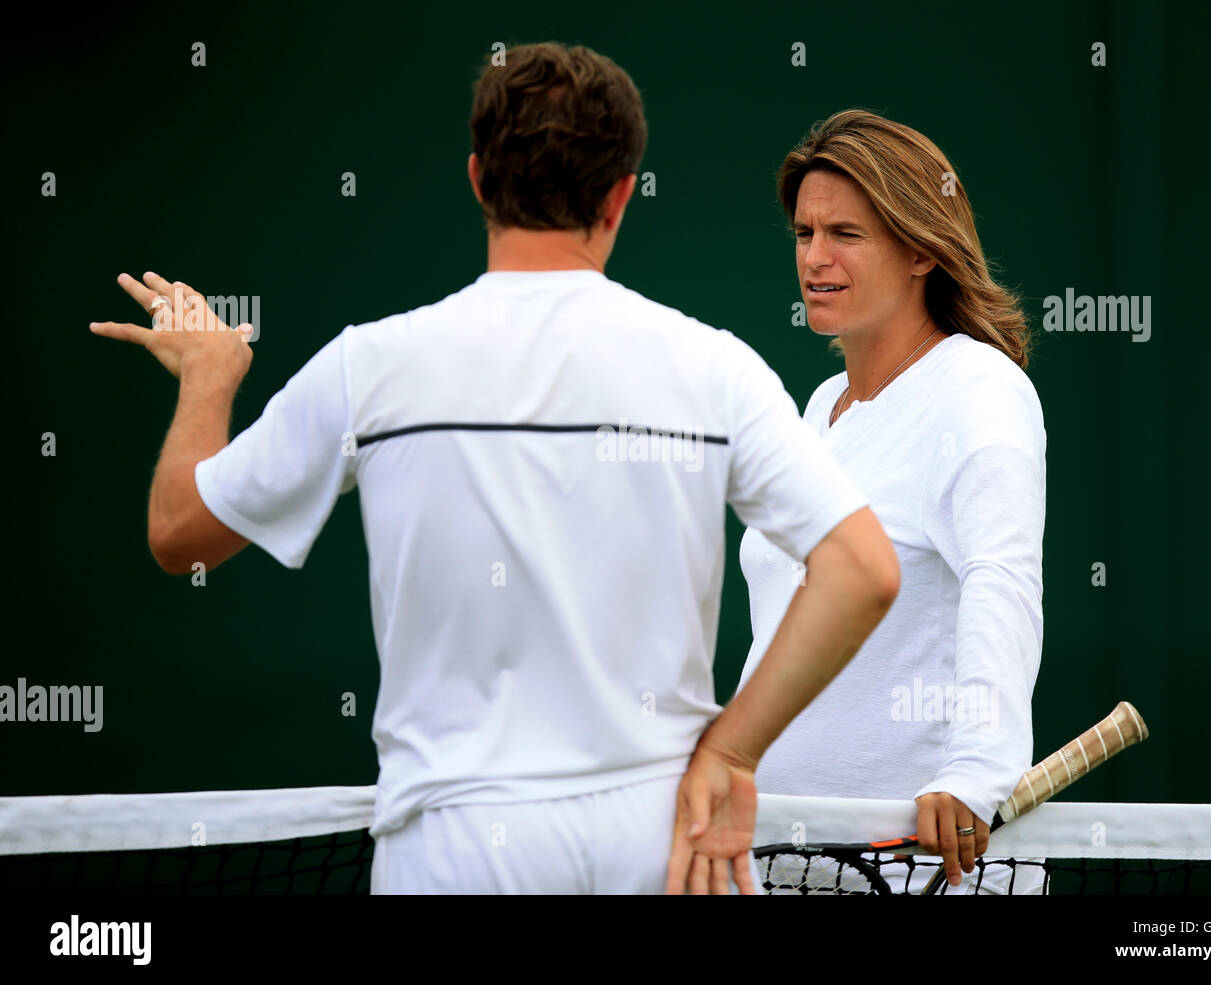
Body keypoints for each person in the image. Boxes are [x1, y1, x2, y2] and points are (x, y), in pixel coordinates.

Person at [87, 45, 899, 894]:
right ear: (623, 192)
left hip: (453, 850)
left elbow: (181, 535)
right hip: (664, 845)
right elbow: (862, 569)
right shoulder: (717, 369)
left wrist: (210, 377)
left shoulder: (371, 365)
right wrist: (731, 750)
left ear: (478, 179)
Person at [737, 109, 1047, 893]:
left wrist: (977, 768)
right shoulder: (820, 406)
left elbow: (1000, 577)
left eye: (845, 233)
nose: (815, 257)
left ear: (920, 250)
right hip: (786, 863)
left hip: (919, 875)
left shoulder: (980, 391)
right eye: (804, 234)